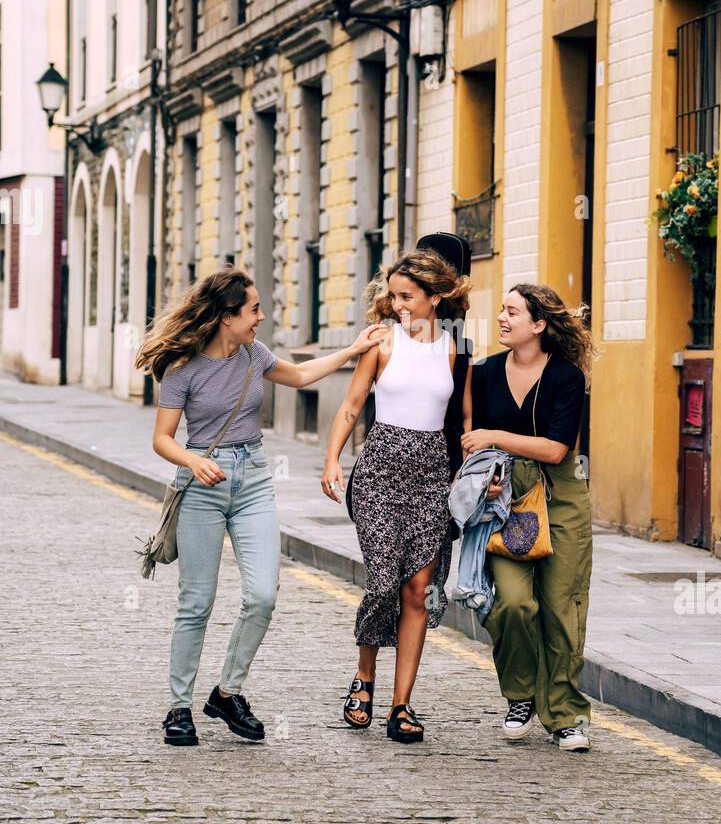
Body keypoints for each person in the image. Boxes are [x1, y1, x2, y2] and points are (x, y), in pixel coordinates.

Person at [134, 267, 384, 747]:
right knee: (197, 602)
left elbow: (301, 374)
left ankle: (227, 693)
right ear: (227, 316)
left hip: (253, 479)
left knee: (263, 595)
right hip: (202, 483)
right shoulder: (182, 367)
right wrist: (192, 460)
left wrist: (353, 350)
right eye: (253, 310)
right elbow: (162, 439)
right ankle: (178, 707)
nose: (261, 317)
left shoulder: (254, 354)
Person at [321, 248, 472, 743]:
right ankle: (364, 677)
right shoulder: (380, 342)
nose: (398, 303)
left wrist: (467, 476)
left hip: (432, 474)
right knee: (384, 581)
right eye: (393, 294)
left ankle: (400, 705)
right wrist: (332, 460)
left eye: (408, 296)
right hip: (380, 472)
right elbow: (351, 405)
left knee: (418, 592)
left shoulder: (453, 347)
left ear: (435, 297)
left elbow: (463, 421)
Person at [462, 283, 596, 751]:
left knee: (563, 609)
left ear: (538, 325)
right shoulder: (483, 373)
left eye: (512, 312)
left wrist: (494, 435)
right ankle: (520, 695)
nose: (501, 318)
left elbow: (557, 447)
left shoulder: (566, 377)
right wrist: (483, 481)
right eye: (501, 310)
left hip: (559, 497)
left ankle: (565, 714)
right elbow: (468, 441)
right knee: (513, 603)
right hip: (502, 500)